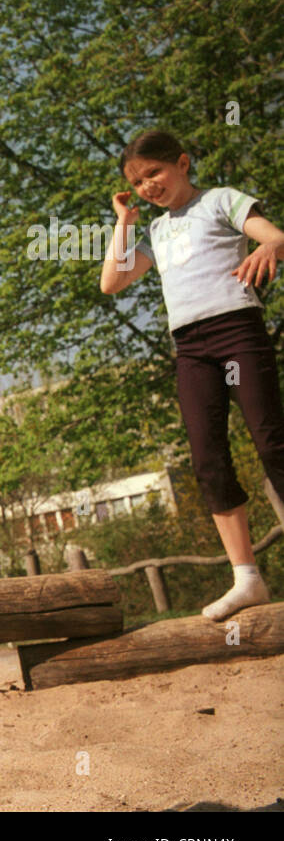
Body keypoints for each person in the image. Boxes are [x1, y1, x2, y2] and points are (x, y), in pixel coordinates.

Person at [102, 129, 284, 621]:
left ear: (182, 163)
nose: (147, 187)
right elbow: (112, 281)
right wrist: (124, 221)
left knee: (271, 443)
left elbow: (275, 236)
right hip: (191, 348)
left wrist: (270, 248)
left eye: (154, 173)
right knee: (207, 458)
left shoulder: (221, 201)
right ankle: (247, 578)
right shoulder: (155, 232)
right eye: (137, 182)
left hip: (236, 331)